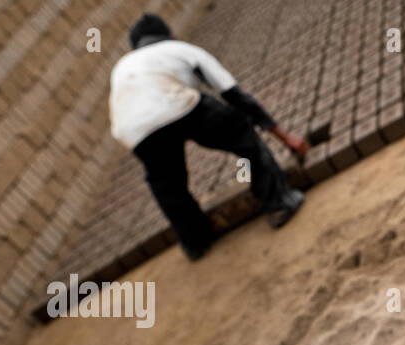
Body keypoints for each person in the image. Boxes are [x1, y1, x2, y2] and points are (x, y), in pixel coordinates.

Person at [108, 13, 310, 260]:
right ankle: (279, 204)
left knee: (168, 187)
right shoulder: (178, 49)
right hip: (179, 107)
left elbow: (148, 113)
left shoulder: (122, 66)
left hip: (134, 132)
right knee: (242, 134)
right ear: (168, 34)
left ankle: (196, 244)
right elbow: (235, 96)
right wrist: (285, 137)